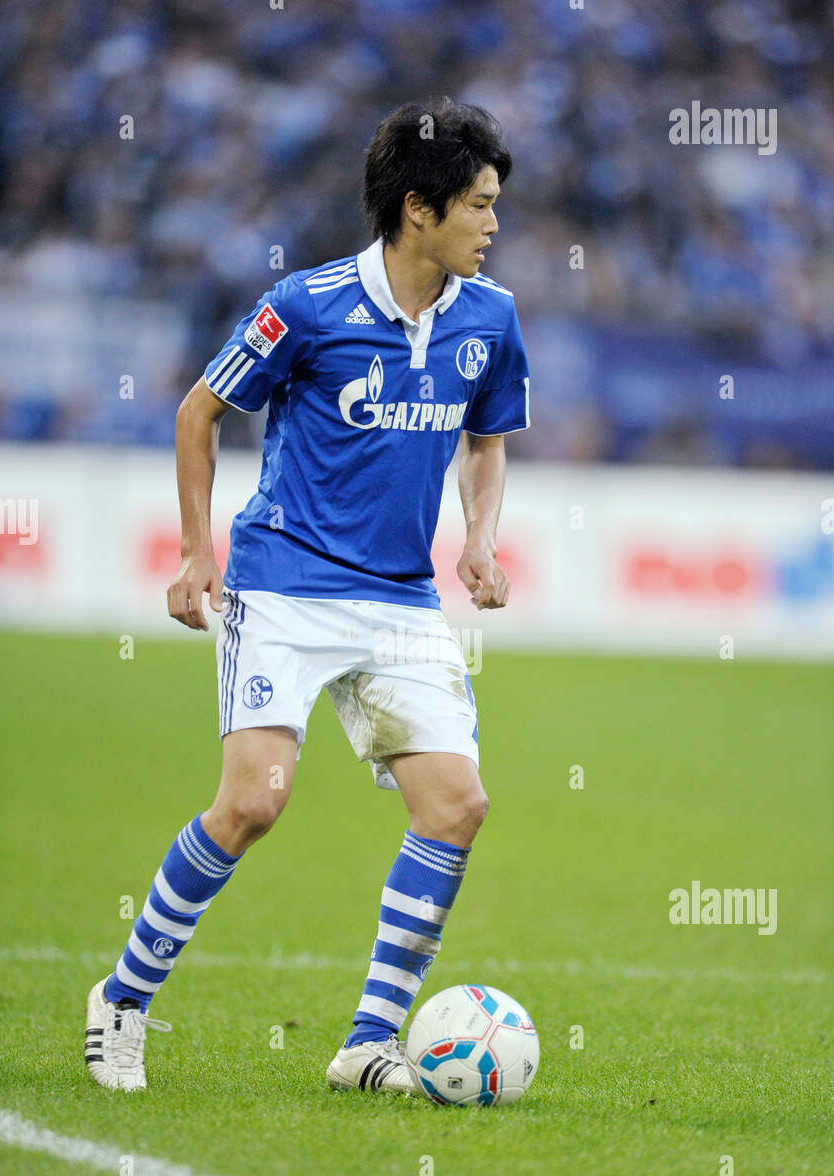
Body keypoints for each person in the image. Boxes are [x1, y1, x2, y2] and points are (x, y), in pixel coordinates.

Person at [84, 98, 530, 1096]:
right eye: (480, 206)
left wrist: (482, 542)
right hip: (285, 584)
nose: (494, 225)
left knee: (457, 806)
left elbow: (487, 439)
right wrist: (197, 553)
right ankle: (122, 998)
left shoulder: (489, 319)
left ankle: (368, 1041)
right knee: (254, 802)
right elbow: (199, 412)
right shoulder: (308, 304)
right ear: (419, 209)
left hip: (401, 603)